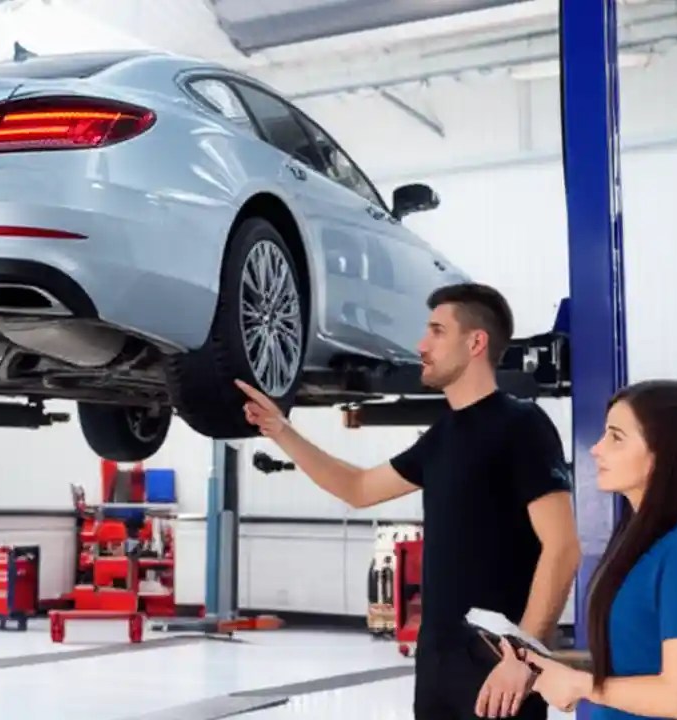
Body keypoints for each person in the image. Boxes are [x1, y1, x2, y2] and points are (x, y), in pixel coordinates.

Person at [237, 282, 582, 720]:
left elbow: (563, 547)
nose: (422, 345)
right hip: (438, 663)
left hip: (499, 669)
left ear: (476, 342)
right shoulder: (442, 436)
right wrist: (280, 430)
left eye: (437, 331)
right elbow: (358, 487)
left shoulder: (522, 425)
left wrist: (523, 656)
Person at [518, 380, 677, 719]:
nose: (596, 448)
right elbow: (629, 660)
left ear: (664, 453)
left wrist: (580, 685)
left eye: (616, 437)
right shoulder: (637, 542)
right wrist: (544, 666)